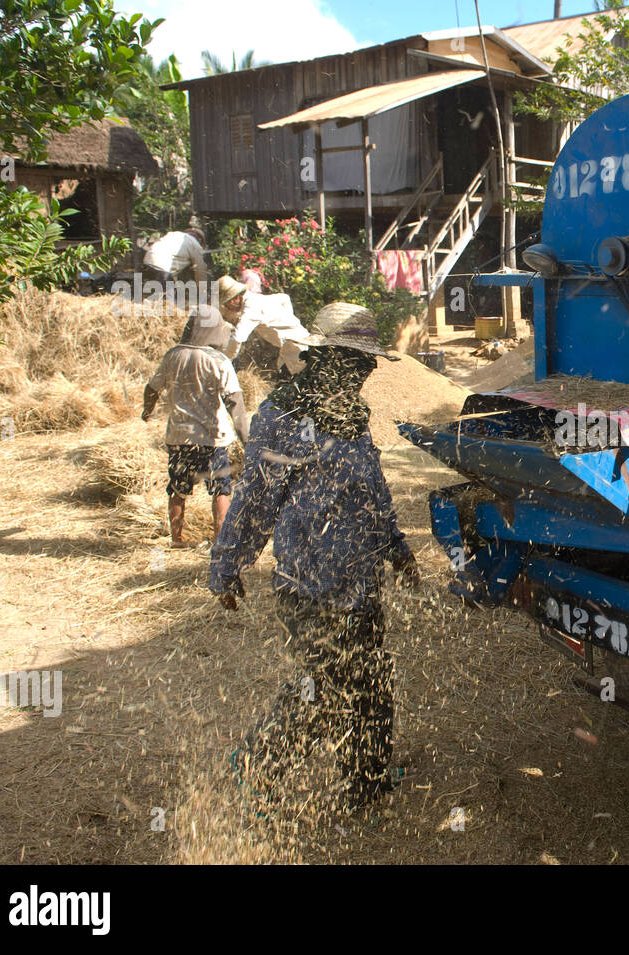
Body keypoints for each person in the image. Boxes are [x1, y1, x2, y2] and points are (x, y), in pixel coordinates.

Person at [208, 302, 419, 813]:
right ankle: (257, 764)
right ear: (327, 358)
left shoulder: (352, 415)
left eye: (369, 360)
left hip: (359, 580)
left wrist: (396, 548)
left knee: (370, 680)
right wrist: (227, 566)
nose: (367, 369)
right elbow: (254, 499)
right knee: (324, 688)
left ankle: (367, 779)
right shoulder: (283, 417)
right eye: (357, 359)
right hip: (309, 583)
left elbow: (371, 490)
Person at [142, 305, 250, 545]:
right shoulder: (218, 359)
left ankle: (177, 538)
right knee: (221, 489)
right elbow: (235, 402)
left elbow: (152, 388)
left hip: (179, 436)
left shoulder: (173, 355)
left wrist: (146, 411)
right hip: (213, 438)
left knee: (178, 488)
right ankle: (219, 539)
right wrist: (247, 439)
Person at [216, 275, 310, 374]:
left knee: (294, 383)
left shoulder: (250, 309)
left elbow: (237, 338)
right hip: (299, 342)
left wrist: (223, 362)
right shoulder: (257, 298)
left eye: (227, 305)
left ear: (233, 300)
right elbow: (284, 298)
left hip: (296, 350)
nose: (228, 308)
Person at [143, 227, 209, 289]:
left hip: (147, 262)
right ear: (200, 240)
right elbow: (200, 270)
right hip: (162, 268)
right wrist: (203, 289)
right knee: (170, 298)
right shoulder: (195, 244)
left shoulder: (173, 234)